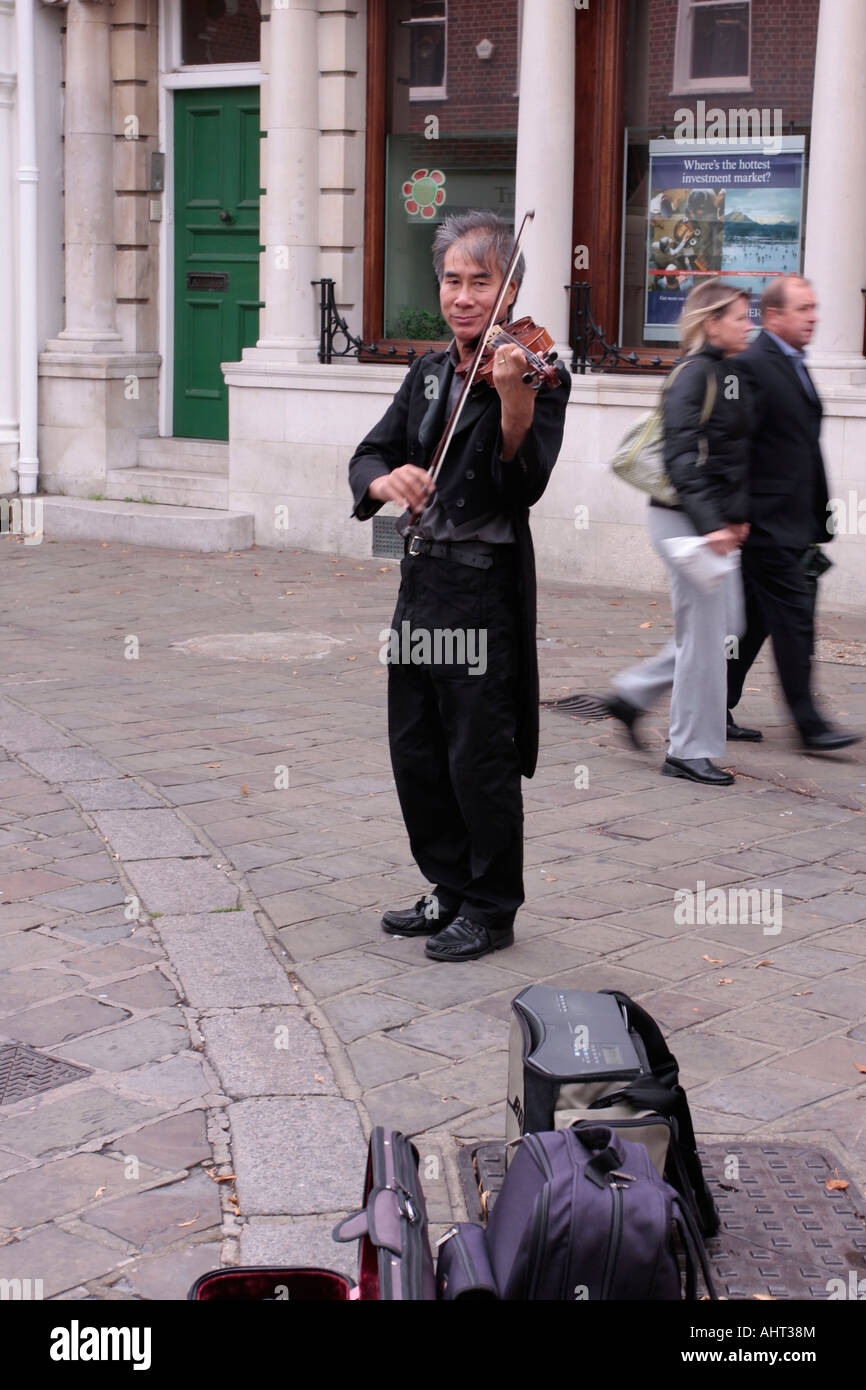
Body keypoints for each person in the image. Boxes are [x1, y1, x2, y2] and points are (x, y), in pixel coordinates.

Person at [348, 210, 570, 962]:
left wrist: (515, 399)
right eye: (452, 279)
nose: (465, 296)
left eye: (482, 281)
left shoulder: (535, 370)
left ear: (507, 294)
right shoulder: (430, 370)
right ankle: (447, 886)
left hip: (480, 592)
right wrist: (384, 480)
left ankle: (492, 905)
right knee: (416, 749)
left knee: (479, 754)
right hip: (421, 585)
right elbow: (370, 451)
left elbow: (523, 481)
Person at [599, 278, 752, 784]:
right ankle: (687, 750)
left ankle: (631, 695)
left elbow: (727, 457)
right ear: (712, 323)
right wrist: (714, 527)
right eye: (739, 317)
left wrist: (735, 515)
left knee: (725, 627)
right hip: (681, 521)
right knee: (708, 638)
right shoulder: (693, 375)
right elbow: (682, 462)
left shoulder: (723, 371)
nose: (747, 325)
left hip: (704, 521)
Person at [725, 275, 860, 751]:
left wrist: (820, 518)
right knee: (795, 620)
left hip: (794, 520)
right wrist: (741, 515)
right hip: (766, 522)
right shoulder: (752, 365)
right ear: (775, 315)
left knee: (753, 621)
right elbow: (736, 448)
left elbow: (802, 446)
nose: (814, 317)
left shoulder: (794, 363)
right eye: (804, 309)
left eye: (815, 307)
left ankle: (712, 701)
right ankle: (811, 725)